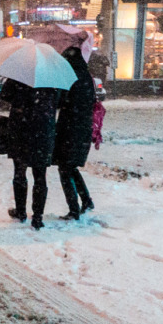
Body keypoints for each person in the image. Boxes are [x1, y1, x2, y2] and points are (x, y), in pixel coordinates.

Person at [0, 77, 59, 230]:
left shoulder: (20, 73)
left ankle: (21, 211)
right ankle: (38, 217)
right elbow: (58, 101)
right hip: (43, 130)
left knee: (19, 172)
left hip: (21, 129)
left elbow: (4, 95)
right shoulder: (51, 78)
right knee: (40, 176)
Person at [54, 32, 97, 220]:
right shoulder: (87, 77)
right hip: (83, 129)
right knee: (70, 167)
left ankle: (74, 209)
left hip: (69, 130)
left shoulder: (69, 79)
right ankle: (86, 200)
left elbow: (60, 102)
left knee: (65, 169)